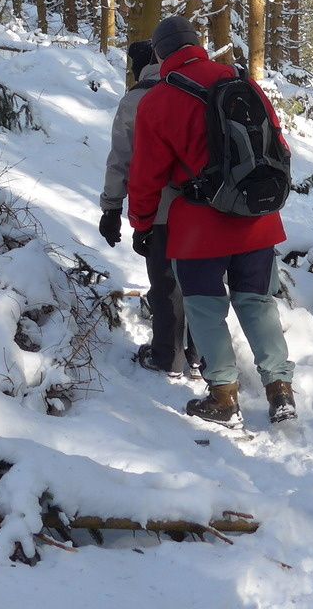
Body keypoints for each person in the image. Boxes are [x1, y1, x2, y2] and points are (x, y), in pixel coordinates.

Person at [128, 15, 297, 425]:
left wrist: (142, 223)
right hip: (256, 217)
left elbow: (146, 174)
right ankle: (280, 390)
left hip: (200, 227)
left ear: (161, 53)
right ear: (197, 44)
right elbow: (278, 141)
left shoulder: (158, 100)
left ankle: (224, 396)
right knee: (257, 303)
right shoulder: (241, 81)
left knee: (205, 308)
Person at [98, 39, 192, 375]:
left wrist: (111, 208)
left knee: (165, 283)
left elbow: (120, 159)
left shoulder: (135, 99)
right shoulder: (190, 90)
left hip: (157, 208)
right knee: (198, 280)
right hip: (202, 207)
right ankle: (199, 354)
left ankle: (167, 355)